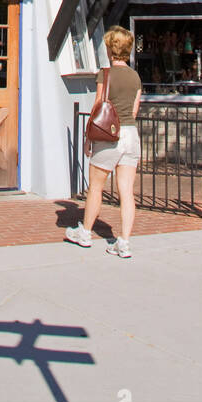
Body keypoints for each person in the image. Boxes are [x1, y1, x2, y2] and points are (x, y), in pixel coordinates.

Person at [66, 26, 142, 258]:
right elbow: (135, 111)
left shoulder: (105, 74)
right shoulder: (135, 76)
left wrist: (89, 138)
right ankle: (124, 242)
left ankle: (86, 233)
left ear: (111, 48)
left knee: (96, 186)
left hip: (111, 136)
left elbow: (99, 106)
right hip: (131, 135)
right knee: (126, 192)